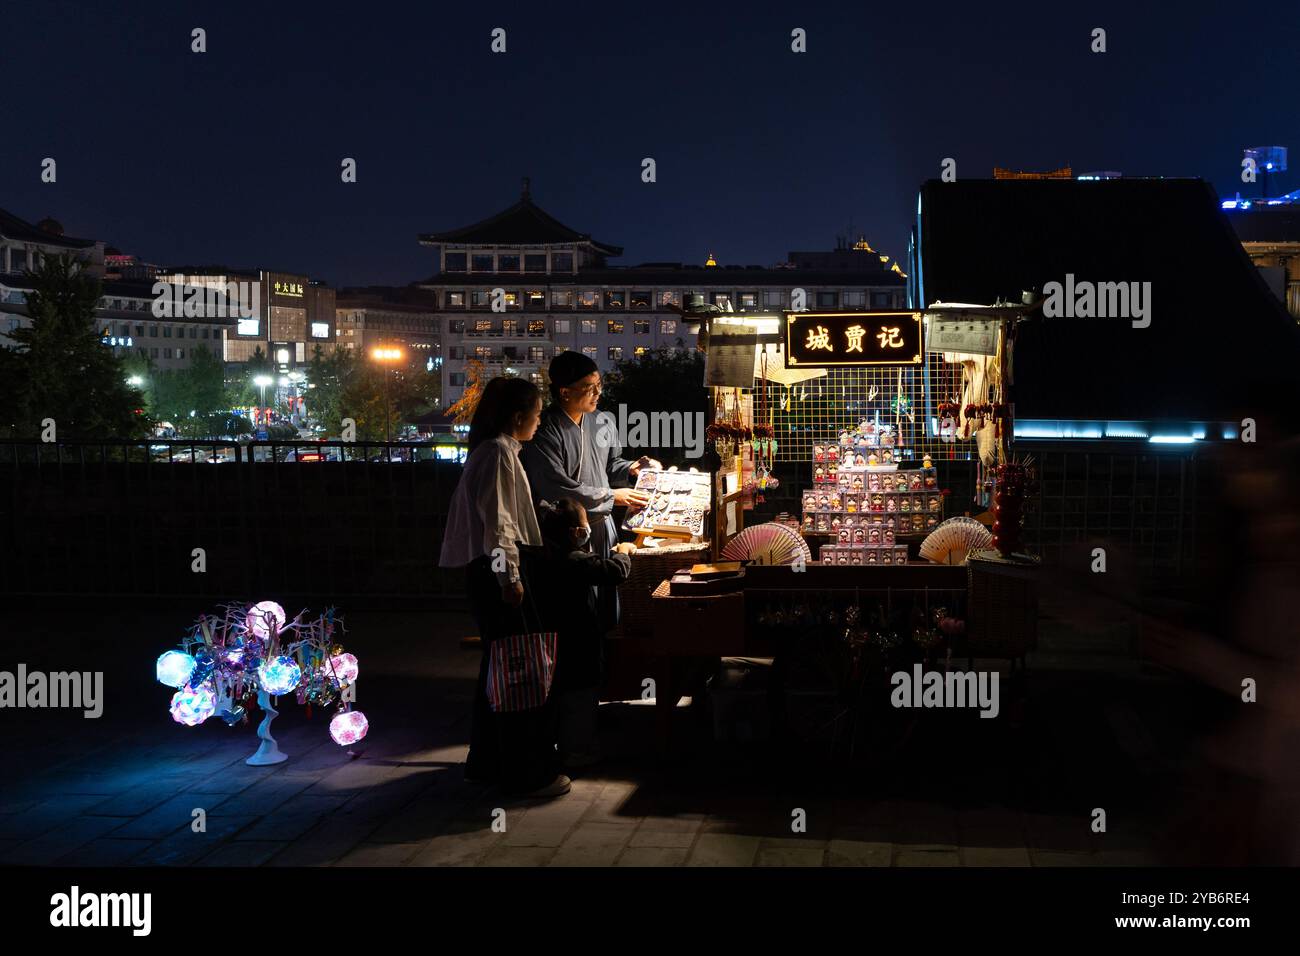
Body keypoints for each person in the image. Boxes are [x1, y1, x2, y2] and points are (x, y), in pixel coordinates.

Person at [438, 377, 569, 798]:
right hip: (496, 574)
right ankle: (525, 772)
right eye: (536, 413)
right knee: (520, 669)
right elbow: (499, 525)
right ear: (518, 417)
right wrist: (510, 579)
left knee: (499, 666)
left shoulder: (495, 451)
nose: (539, 421)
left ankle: (488, 763)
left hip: (488, 571)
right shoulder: (497, 453)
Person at [520, 351, 659, 632]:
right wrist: (611, 497)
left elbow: (612, 464)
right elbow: (554, 486)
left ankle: (608, 661)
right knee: (578, 608)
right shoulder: (544, 429)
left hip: (602, 525)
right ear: (564, 392)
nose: (597, 393)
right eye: (589, 387)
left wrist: (632, 467)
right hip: (568, 533)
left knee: (609, 600)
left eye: (599, 384)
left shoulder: (603, 421)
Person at [534, 498, 636, 767]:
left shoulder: (543, 557)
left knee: (561, 694)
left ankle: (562, 745)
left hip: (554, 640)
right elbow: (614, 572)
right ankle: (575, 752)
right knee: (581, 695)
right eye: (584, 525)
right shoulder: (575, 560)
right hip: (579, 641)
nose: (587, 529)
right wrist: (623, 552)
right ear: (575, 533)